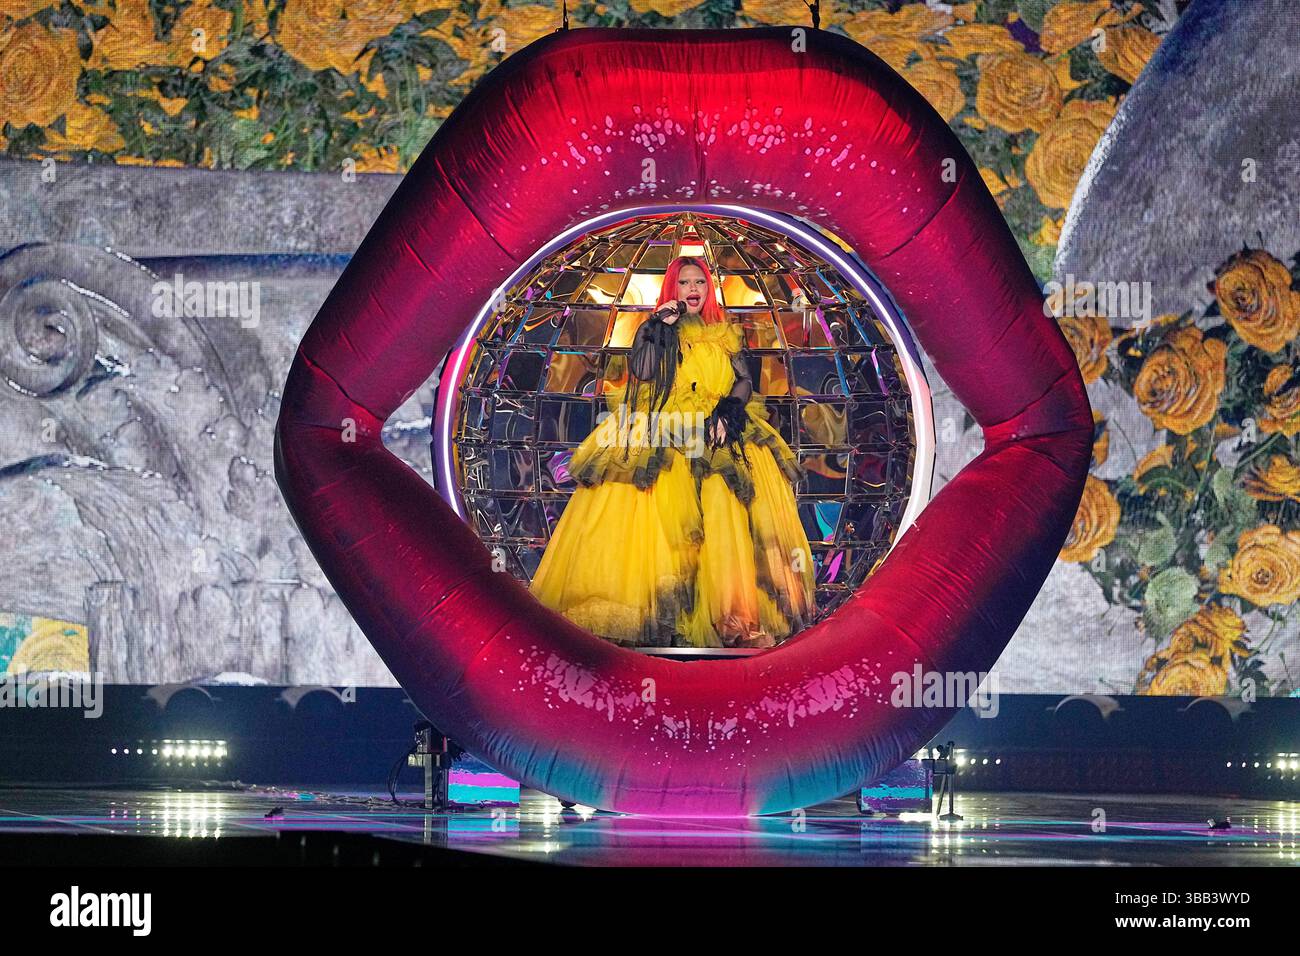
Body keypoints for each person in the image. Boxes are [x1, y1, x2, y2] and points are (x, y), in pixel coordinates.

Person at [530, 256, 815, 648]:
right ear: (672, 289)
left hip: (719, 428)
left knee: (724, 517)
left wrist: (728, 412)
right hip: (665, 429)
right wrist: (653, 328)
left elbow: (744, 380)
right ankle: (664, 618)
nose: (693, 289)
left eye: (699, 281)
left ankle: (731, 617)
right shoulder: (656, 331)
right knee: (663, 528)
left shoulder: (724, 332)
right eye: (684, 283)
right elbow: (644, 373)